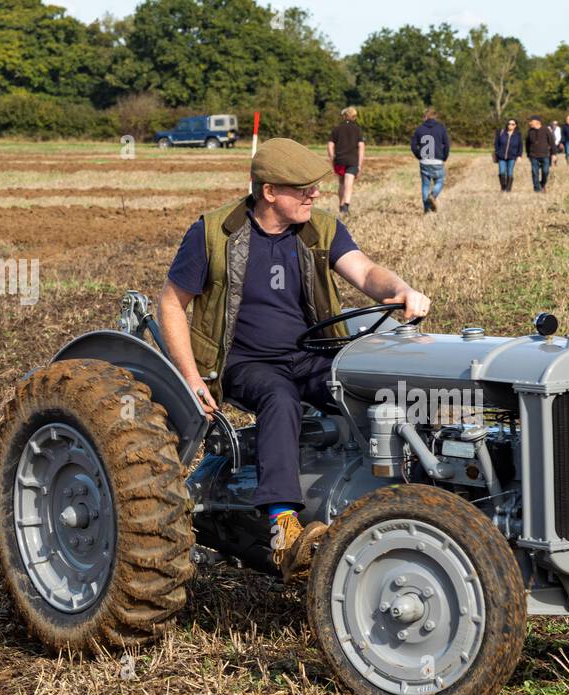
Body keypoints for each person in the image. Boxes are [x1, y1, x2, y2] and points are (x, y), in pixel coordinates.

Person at [157, 138, 432, 577]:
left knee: (380, 391)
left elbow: (364, 271)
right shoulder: (213, 232)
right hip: (244, 364)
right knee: (279, 398)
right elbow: (172, 303)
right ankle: (283, 524)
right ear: (268, 191)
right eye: (301, 187)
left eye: (315, 186)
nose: (314, 193)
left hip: (311, 355)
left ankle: (409, 497)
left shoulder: (318, 229)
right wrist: (191, 377)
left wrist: (399, 289)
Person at [326, 106, 364, 216]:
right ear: (354, 117)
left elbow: (330, 145)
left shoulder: (337, 129)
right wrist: (360, 165)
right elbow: (361, 147)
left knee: (341, 182)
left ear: (344, 116)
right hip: (352, 160)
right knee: (349, 183)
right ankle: (345, 206)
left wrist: (332, 157)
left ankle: (341, 204)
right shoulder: (357, 129)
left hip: (340, 160)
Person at [411, 108, 450, 214]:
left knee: (425, 185)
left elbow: (413, 146)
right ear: (435, 116)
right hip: (437, 161)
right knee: (440, 181)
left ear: (426, 117)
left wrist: (419, 156)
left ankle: (427, 209)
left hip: (424, 162)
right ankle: (433, 196)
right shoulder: (441, 128)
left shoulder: (419, 129)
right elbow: (447, 144)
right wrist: (444, 157)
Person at [526, 115, 554, 192]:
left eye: (531, 121)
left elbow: (552, 142)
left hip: (545, 155)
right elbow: (527, 144)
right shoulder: (530, 131)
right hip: (533, 155)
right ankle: (537, 189)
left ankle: (542, 184)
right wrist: (528, 154)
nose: (529, 123)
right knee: (535, 173)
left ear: (537, 122)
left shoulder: (546, 130)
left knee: (546, 171)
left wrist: (553, 154)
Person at [494, 117, 523, 192]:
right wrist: (497, 152)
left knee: (510, 172)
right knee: (501, 172)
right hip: (501, 157)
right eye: (509, 124)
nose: (510, 125)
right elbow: (496, 143)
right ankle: (503, 187)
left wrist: (519, 156)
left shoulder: (518, 135)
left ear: (515, 126)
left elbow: (520, 146)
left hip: (512, 157)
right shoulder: (501, 132)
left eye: (512, 124)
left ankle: (508, 189)